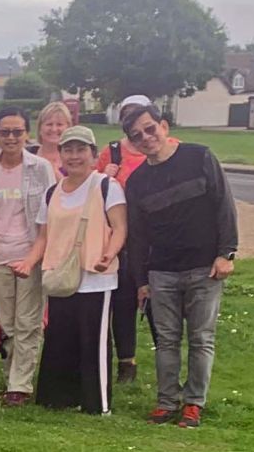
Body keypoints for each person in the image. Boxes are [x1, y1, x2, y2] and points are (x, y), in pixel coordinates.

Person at [123, 105, 237, 429]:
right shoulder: (137, 182)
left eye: (149, 129)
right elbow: (137, 236)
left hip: (205, 267)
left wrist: (226, 253)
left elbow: (224, 205)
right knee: (167, 342)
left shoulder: (199, 157)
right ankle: (166, 402)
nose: (146, 138)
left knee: (201, 339)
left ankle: (193, 404)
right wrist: (141, 280)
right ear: (131, 143)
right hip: (162, 272)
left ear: (163, 125)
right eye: (136, 136)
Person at [18, 126, 126, 415]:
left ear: (93, 154)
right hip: (60, 276)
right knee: (60, 338)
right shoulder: (53, 191)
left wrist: (109, 254)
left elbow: (120, 227)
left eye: (81, 150)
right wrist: (29, 262)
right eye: (68, 150)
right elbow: (43, 236)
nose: (74, 156)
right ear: (61, 155)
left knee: (94, 340)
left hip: (95, 277)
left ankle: (96, 402)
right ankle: (58, 397)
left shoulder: (106, 186)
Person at [0, 107, 55, 406]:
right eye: (5, 132)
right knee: (6, 324)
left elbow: (50, 216)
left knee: (28, 322)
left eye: (17, 132)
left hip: (29, 253)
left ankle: (20, 386)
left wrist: (37, 257)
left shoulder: (41, 168)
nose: (11, 137)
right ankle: (11, 380)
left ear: (26, 134)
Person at [96, 94, 169, 384]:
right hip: (123, 237)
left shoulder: (167, 146)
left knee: (157, 303)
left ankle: (167, 356)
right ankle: (127, 361)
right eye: (128, 117)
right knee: (123, 302)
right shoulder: (112, 152)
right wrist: (105, 174)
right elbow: (94, 189)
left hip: (157, 237)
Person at [29, 102, 72, 178]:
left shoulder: (75, 159)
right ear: (40, 128)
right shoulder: (28, 155)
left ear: (68, 128)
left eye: (59, 124)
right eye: (49, 124)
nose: (54, 129)